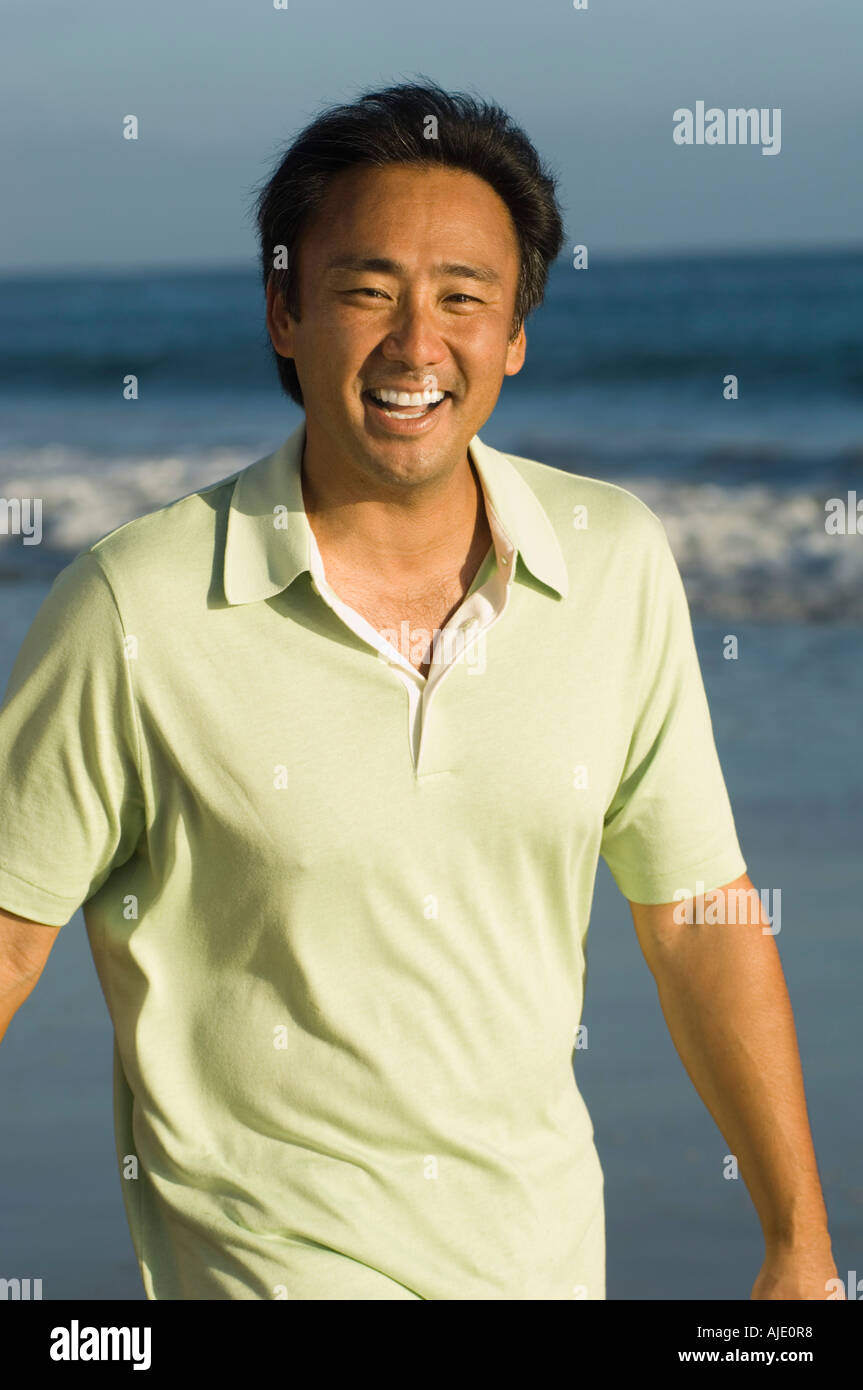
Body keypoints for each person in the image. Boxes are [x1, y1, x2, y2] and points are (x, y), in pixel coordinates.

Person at [0, 79, 839, 1301]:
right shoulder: (137, 605)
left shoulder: (610, 562)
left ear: (514, 333)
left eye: (463, 298)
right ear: (285, 311)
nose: (414, 345)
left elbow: (696, 917)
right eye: (365, 290)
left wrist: (796, 1245)